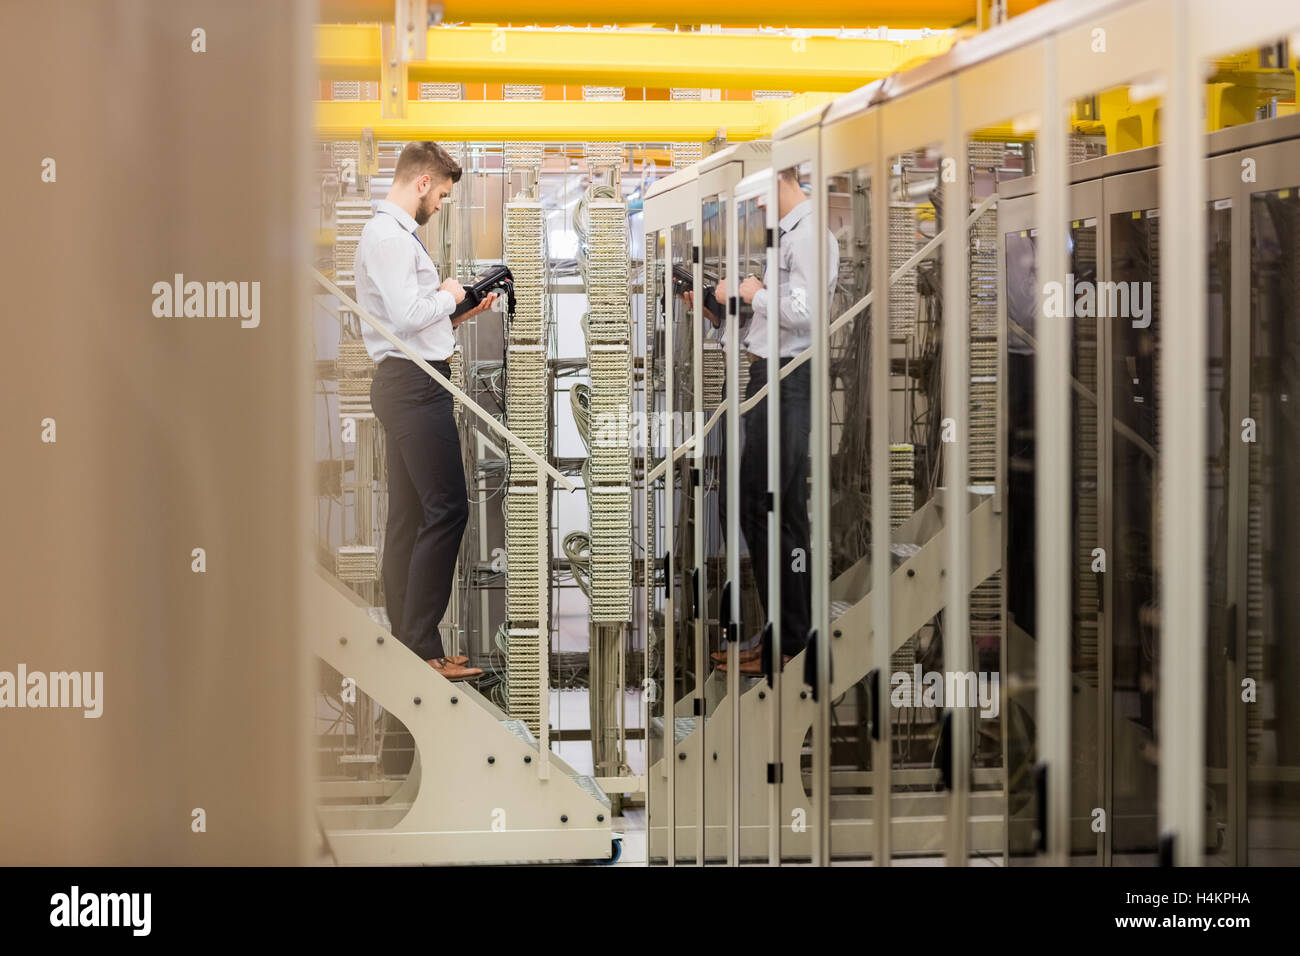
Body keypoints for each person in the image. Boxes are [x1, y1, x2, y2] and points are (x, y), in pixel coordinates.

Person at [353, 142, 497, 681]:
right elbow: (408, 312)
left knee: (411, 517)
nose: (440, 205)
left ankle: (413, 642)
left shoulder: (394, 237)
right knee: (449, 509)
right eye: (440, 194)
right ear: (420, 184)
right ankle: (419, 645)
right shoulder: (389, 238)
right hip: (413, 388)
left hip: (411, 377)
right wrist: (448, 292)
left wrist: (456, 314)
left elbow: (409, 327)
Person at [703, 168, 839, 677]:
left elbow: (804, 312)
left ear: (779, 182)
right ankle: (781, 634)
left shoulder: (810, 236)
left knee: (766, 508)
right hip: (772, 375)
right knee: (770, 510)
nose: (758, 209)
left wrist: (753, 291)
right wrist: (730, 306)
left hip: (788, 378)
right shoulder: (792, 237)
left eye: (758, 198)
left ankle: (789, 639)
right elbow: (776, 316)